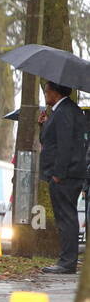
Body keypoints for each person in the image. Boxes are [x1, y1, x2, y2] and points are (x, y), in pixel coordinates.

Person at [38, 80, 89, 274]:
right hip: (68, 174)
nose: (45, 94)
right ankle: (66, 260)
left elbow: (66, 145)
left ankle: (67, 262)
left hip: (65, 176)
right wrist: (43, 125)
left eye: (46, 90)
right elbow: (49, 141)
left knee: (66, 218)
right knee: (66, 217)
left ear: (55, 92)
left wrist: (58, 174)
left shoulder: (65, 111)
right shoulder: (64, 111)